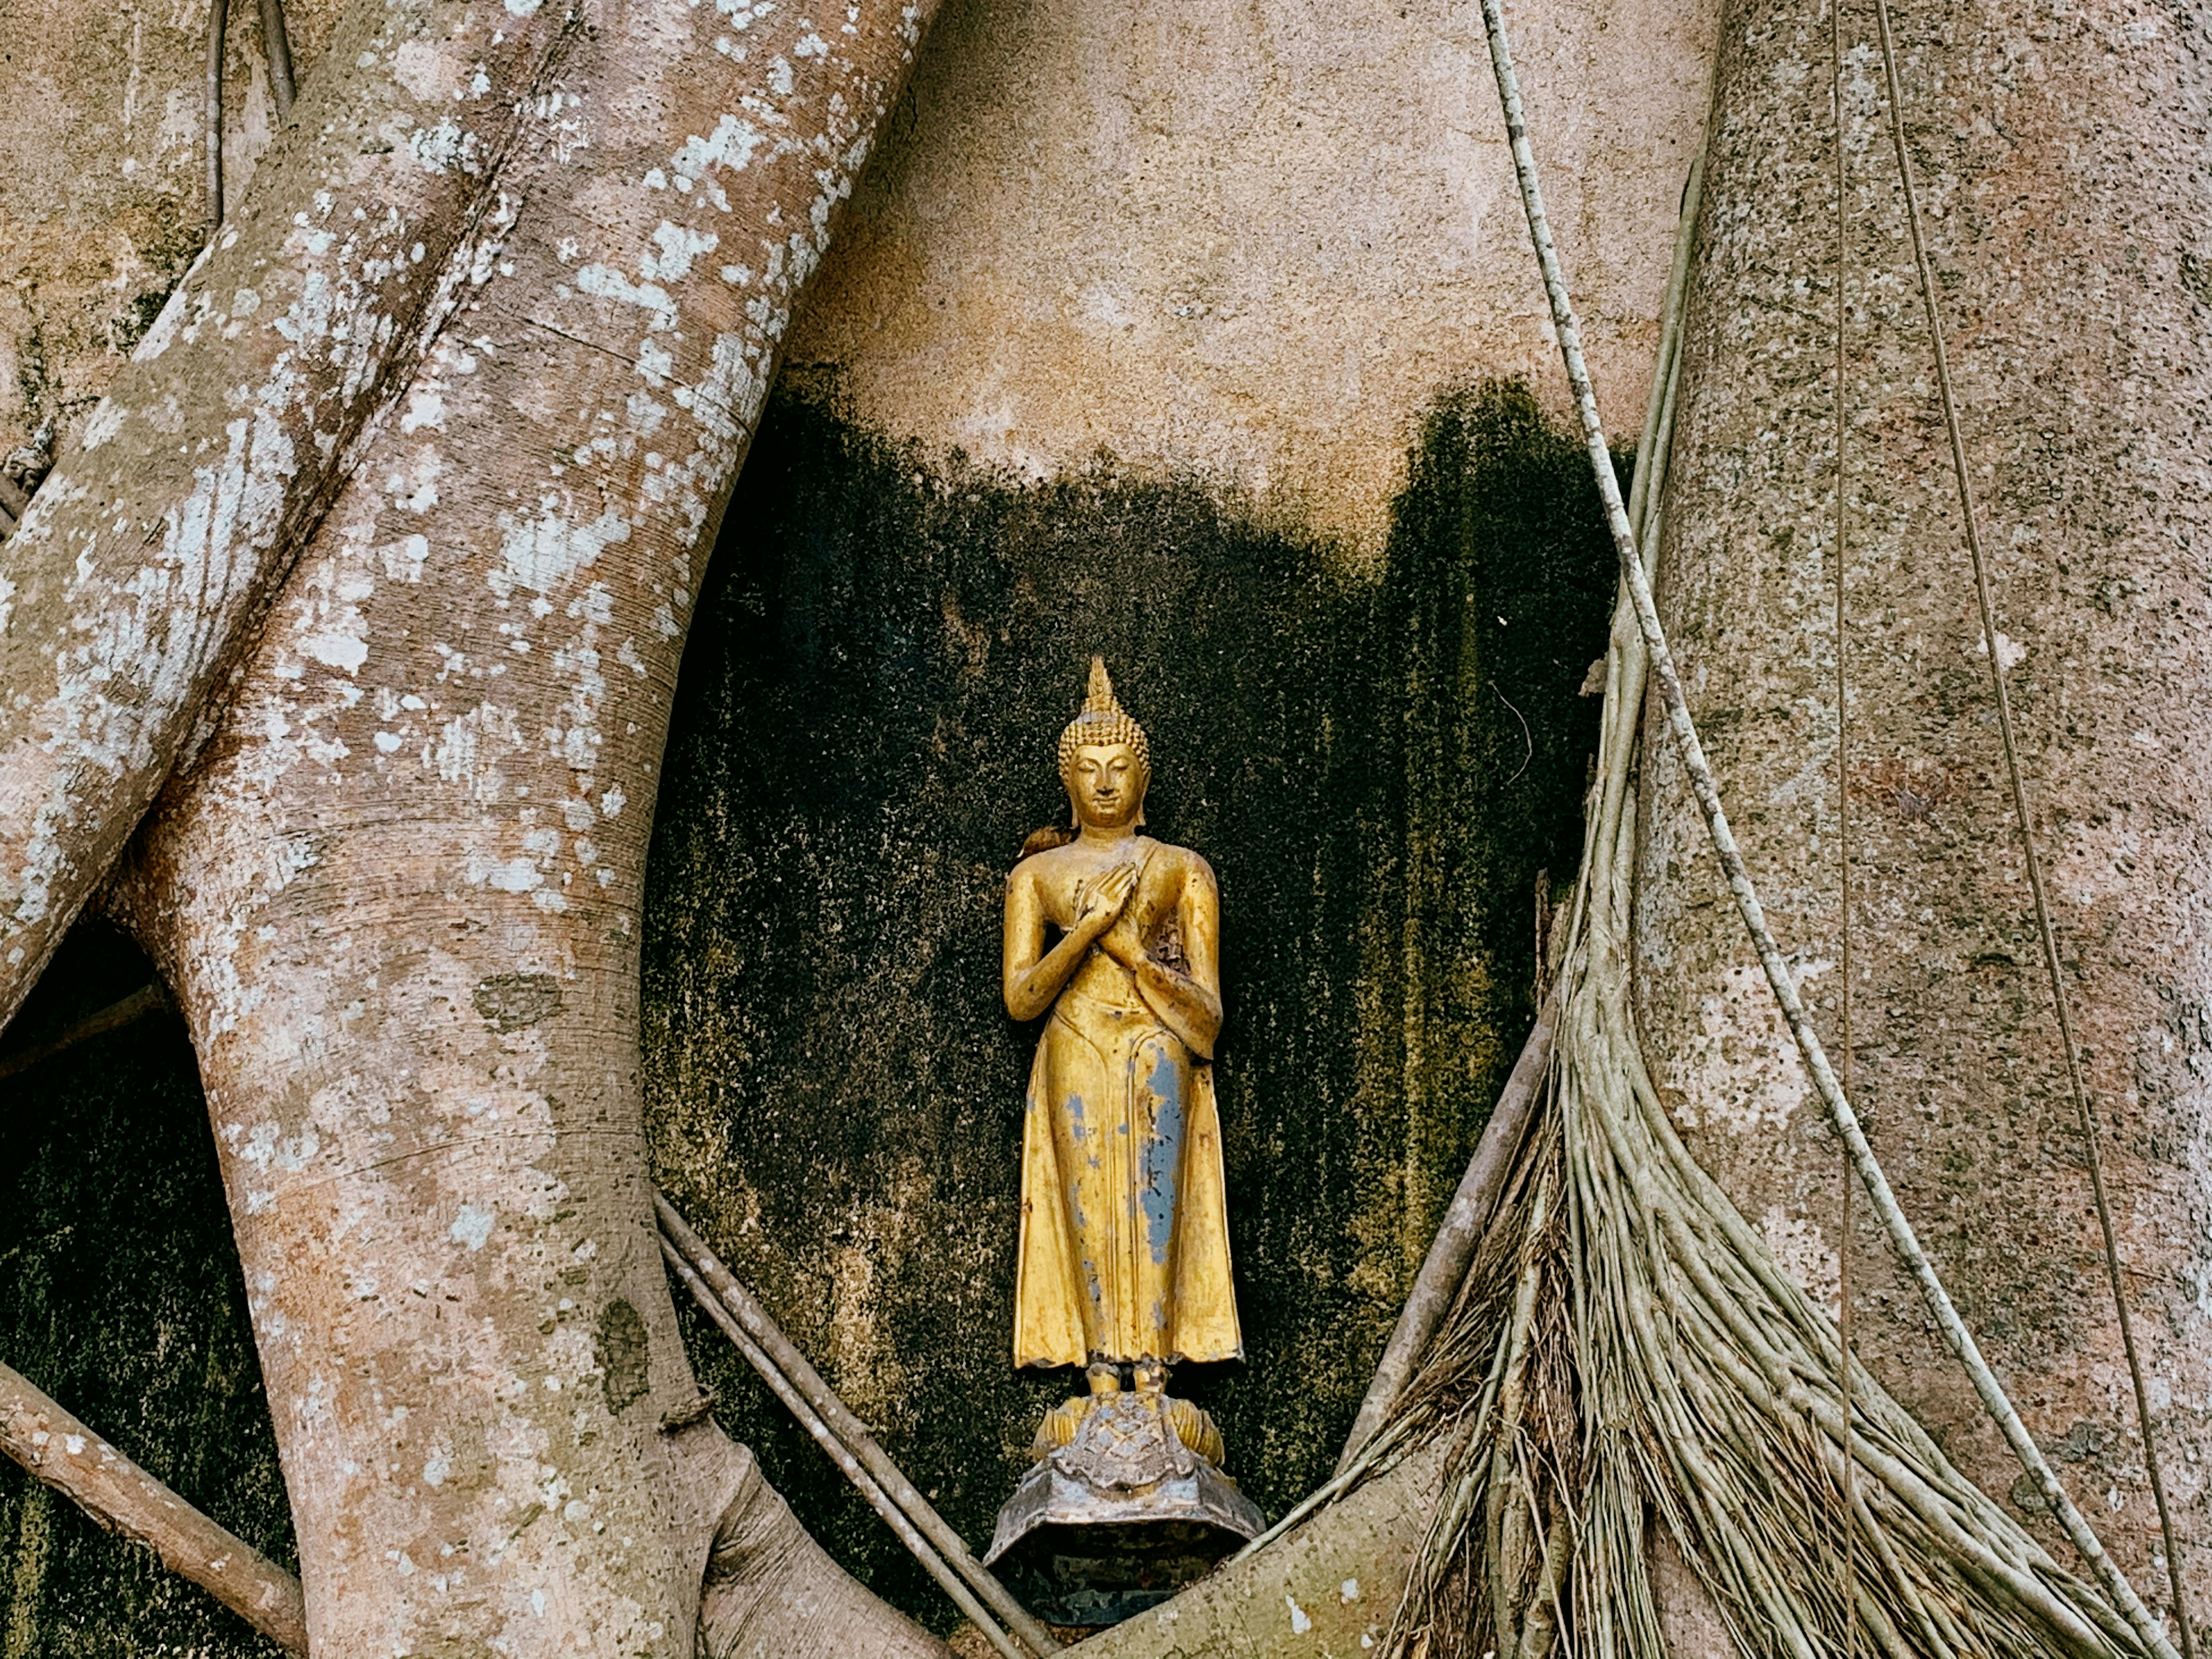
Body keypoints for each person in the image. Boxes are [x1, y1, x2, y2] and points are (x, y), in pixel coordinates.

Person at [1002, 658, 1242, 1415]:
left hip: (1156, 1041)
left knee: (1154, 1199)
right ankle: (1101, 1374)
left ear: (1143, 779)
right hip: (1074, 1036)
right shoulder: (1038, 878)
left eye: (1119, 767)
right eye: (1090, 769)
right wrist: (1087, 932)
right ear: (1069, 783)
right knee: (1083, 1202)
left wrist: (1135, 956)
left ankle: (1154, 1374)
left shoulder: (1181, 869)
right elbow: (1022, 999)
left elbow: (1208, 1017)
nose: (1105, 782)